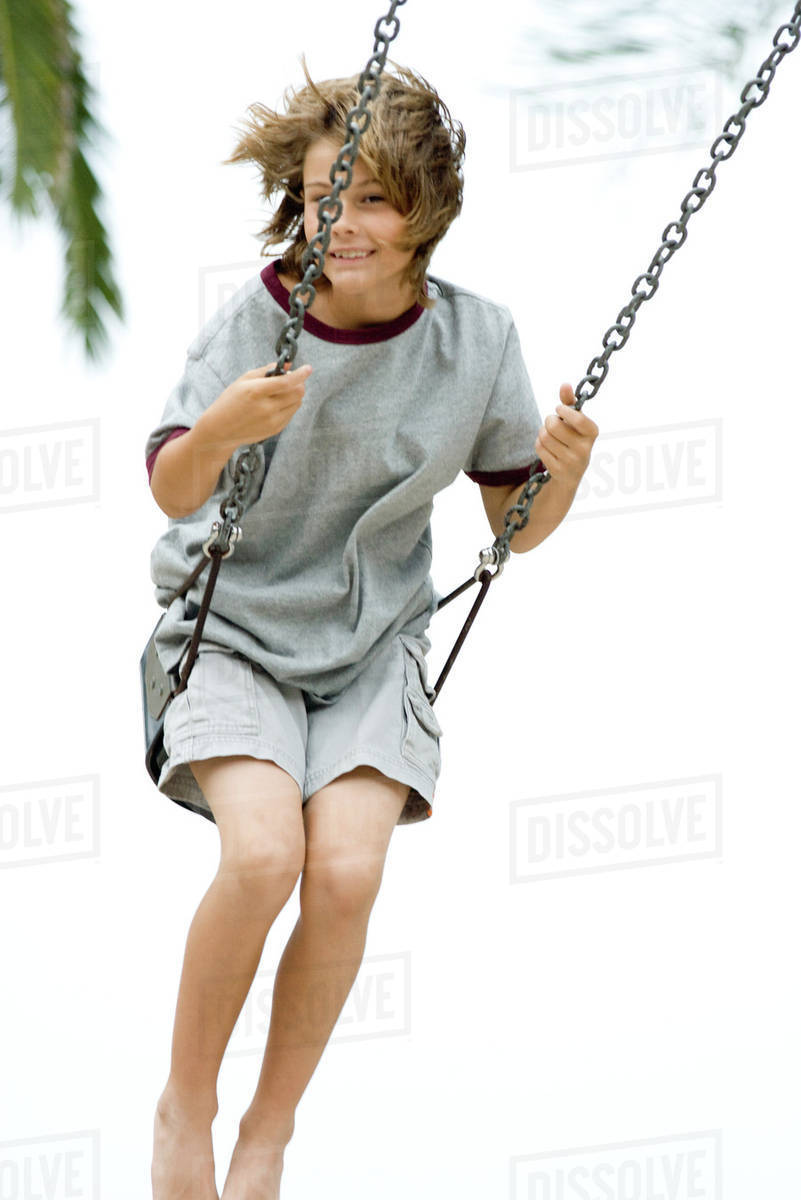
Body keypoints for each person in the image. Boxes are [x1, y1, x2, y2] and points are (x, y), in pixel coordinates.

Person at [146, 57, 598, 1200]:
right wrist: (225, 426)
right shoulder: (259, 319)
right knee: (262, 854)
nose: (338, 223)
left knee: (345, 869)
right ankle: (184, 1108)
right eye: (320, 196)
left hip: (373, 644)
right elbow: (171, 487)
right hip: (235, 628)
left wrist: (562, 478)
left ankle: (268, 1134)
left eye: (371, 200)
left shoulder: (478, 343)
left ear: (424, 215)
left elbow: (513, 530)